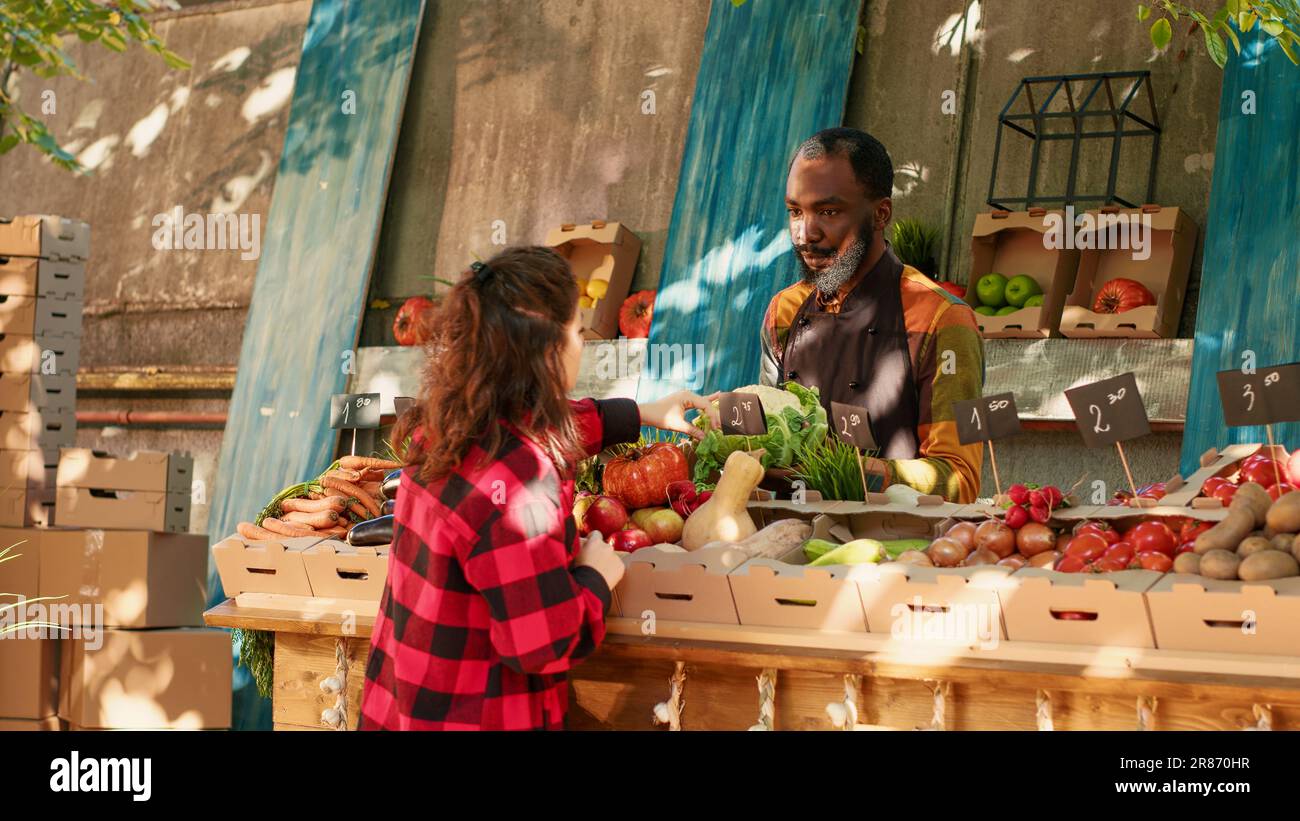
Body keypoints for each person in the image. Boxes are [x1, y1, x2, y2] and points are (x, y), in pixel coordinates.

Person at [360, 246, 716, 731]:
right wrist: (594, 576)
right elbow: (540, 643)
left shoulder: (450, 419)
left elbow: (545, 425)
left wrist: (640, 413)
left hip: (402, 707)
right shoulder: (522, 482)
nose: (582, 340)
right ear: (549, 349)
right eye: (576, 329)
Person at [760, 127, 985, 503]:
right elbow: (769, 438)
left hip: (894, 546)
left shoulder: (943, 318)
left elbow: (959, 480)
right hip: (789, 541)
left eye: (828, 212)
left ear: (880, 214)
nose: (804, 234)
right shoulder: (783, 310)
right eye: (795, 212)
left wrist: (842, 471)